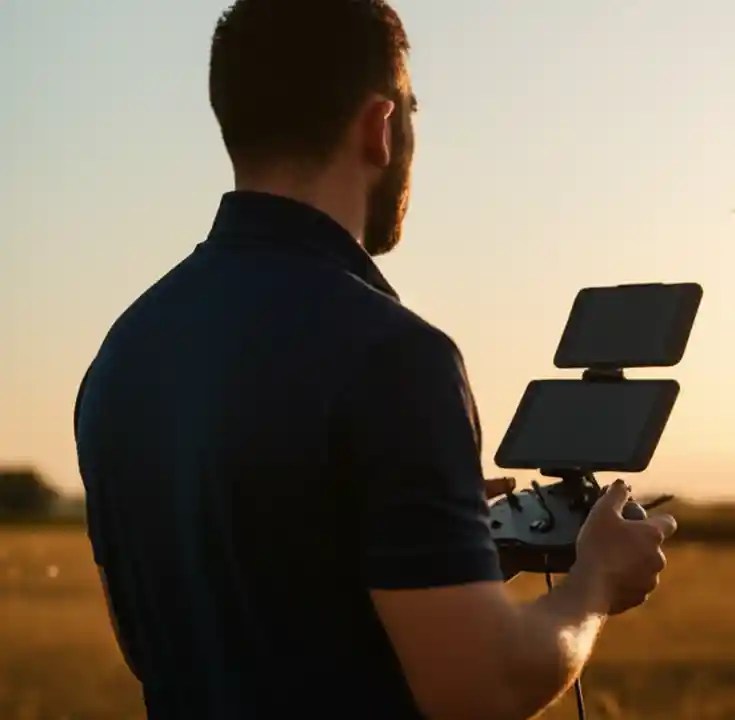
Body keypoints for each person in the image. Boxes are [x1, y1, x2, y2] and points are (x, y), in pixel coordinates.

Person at [72, 1, 677, 718]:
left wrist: (427, 549)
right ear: (380, 127)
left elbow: (156, 642)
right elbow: (483, 688)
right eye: (412, 113)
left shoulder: (122, 354)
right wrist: (595, 583)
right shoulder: (397, 357)